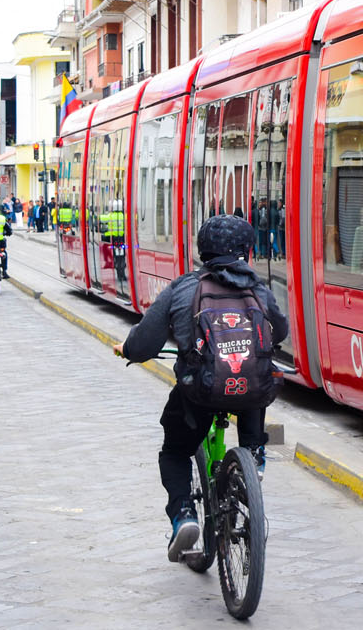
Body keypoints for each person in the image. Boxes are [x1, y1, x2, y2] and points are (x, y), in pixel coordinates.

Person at [113, 215, 288, 562]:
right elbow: (279, 332)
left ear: (202, 250)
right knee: (255, 377)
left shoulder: (184, 287)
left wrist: (128, 350)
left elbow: (145, 340)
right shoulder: (258, 290)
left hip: (200, 393)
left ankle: (184, 517)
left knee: (174, 451)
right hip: (252, 392)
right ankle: (253, 454)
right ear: (246, 251)